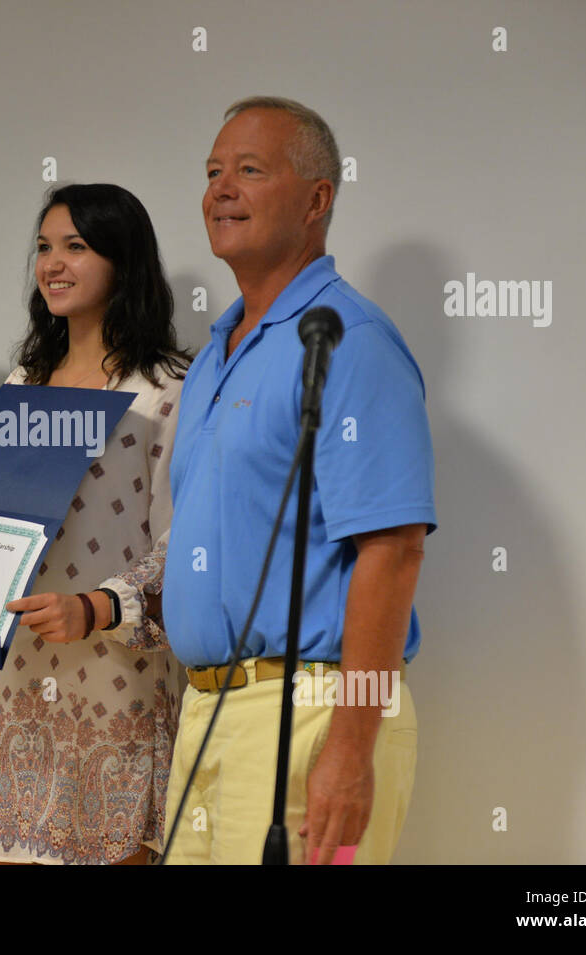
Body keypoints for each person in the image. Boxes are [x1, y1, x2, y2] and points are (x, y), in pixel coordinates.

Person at [155, 97, 437, 864]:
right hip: (205, 714)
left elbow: (394, 550)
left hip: (311, 717)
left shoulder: (353, 340)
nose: (220, 189)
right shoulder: (213, 353)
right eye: (213, 172)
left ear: (318, 200)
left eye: (249, 170)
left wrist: (350, 749)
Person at [0, 183, 190, 864]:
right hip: (11, 681)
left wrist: (98, 608)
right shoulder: (22, 384)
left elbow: (179, 548)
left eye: (75, 246)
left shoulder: (167, 389)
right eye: (43, 247)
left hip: (115, 679)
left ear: (123, 262)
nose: (52, 263)